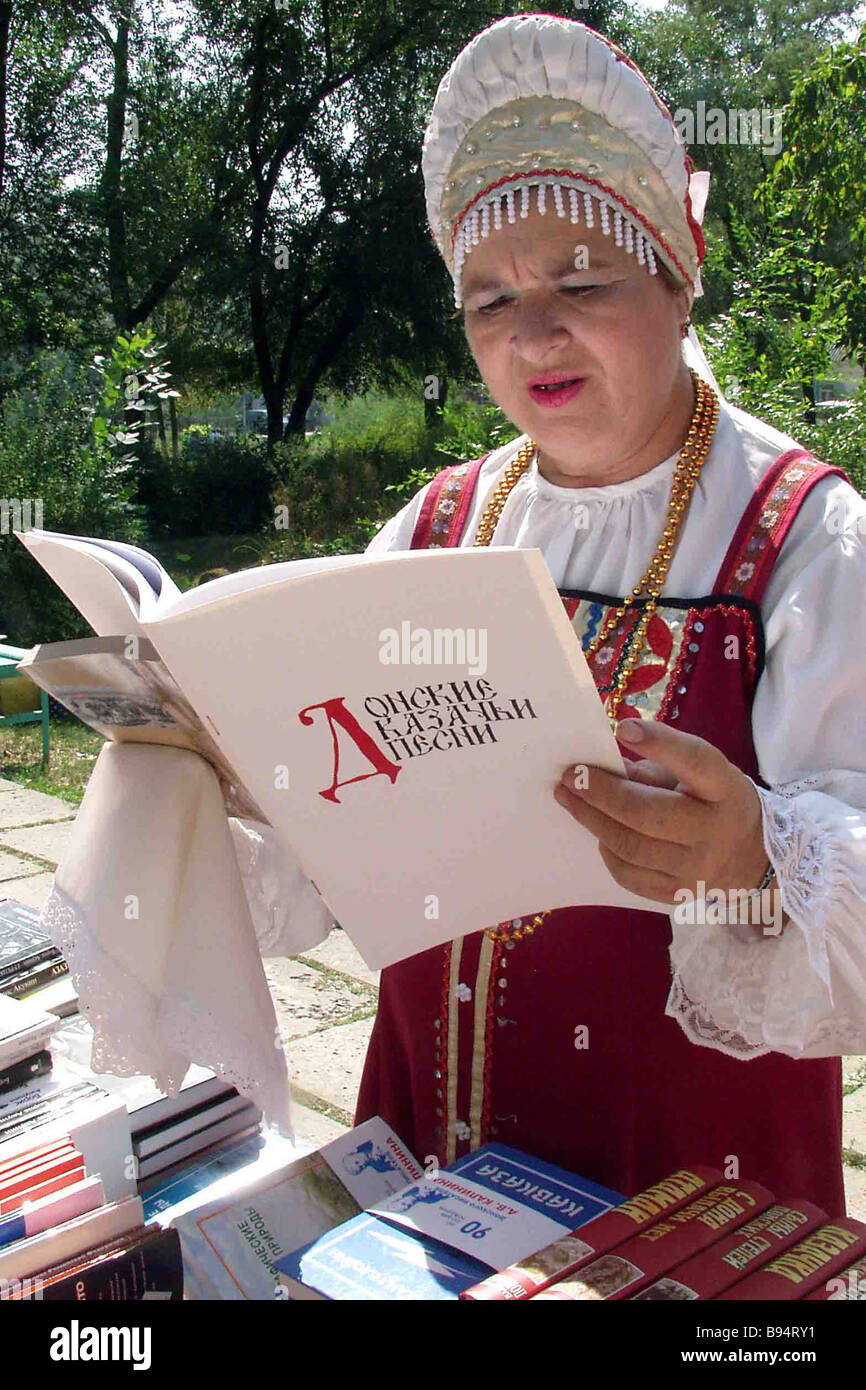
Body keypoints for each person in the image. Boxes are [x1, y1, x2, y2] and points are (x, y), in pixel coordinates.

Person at [352, 14, 866, 1216]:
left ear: (677, 284)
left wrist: (756, 865)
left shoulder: (801, 536)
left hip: (684, 1183)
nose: (530, 332)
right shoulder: (438, 523)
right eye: (486, 300)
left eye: (579, 281)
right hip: (429, 1143)